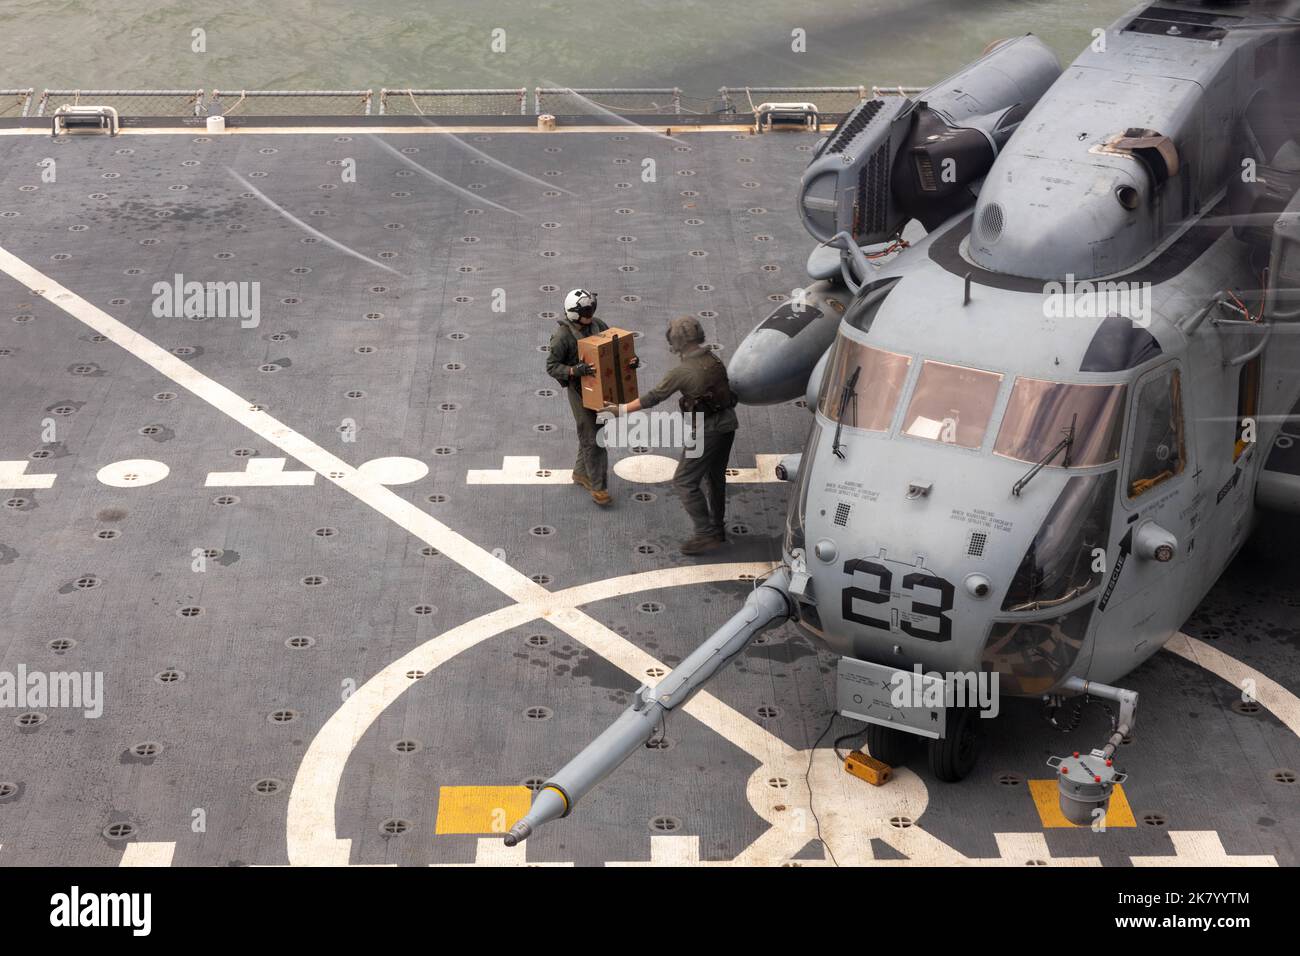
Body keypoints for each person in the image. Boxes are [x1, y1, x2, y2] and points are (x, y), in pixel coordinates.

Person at [603, 316, 738, 555]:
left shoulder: (682, 371)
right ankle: (717, 528)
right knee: (715, 478)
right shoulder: (714, 361)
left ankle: (705, 534)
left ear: (676, 342)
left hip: (707, 431)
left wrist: (620, 409)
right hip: (728, 425)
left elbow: (653, 397)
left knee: (684, 480)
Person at [545, 289, 613, 505]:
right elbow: (552, 366)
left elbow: (613, 345)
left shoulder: (597, 325)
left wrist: (630, 359)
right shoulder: (563, 337)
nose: (590, 314)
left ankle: (580, 472)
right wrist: (575, 371)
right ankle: (598, 486)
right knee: (592, 437)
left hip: (599, 386)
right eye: (586, 311)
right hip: (578, 389)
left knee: (595, 431)